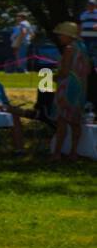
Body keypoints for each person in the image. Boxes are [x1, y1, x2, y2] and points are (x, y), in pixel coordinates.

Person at [49, 21, 92, 162]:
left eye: (61, 35)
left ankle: (57, 153)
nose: (60, 38)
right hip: (80, 88)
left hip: (67, 88)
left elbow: (65, 71)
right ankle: (73, 152)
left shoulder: (69, 49)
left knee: (62, 120)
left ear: (68, 35)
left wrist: (54, 76)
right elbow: (89, 69)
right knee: (75, 121)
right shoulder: (83, 48)